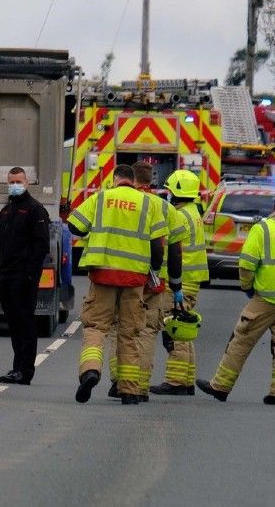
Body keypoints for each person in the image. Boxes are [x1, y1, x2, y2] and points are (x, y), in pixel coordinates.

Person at [197, 192, 275, 405]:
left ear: (274, 207)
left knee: (240, 341)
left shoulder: (262, 229)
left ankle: (221, 387)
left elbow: (246, 264)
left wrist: (248, 287)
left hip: (263, 300)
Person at [66, 164, 167, 405]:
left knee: (96, 328)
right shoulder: (148, 203)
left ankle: (91, 370)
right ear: (133, 181)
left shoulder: (101, 198)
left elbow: (74, 226)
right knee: (129, 333)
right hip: (134, 279)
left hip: (103, 275)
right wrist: (152, 271)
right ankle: (130, 391)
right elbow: (157, 246)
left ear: (115, 179)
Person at [106, 162, 185, 400]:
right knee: (147, 331)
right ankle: (139, 386)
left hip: (124, 276)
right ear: (151, 181)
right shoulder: (166, 208)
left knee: (119, 328)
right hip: (154, 279)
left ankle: (119, 380)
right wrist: (176, 284)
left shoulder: (116, 203)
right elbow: (175, 251)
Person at [150, 169, 208, 396]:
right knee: (183, 328)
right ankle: (185, 381)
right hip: (191, 280)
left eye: (170, 191)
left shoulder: (180, 215)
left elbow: (170, 251)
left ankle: (175, 382)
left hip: (181, 281)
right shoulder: (193, 211)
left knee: (174, 329)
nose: (168, 194)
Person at [0, 167, 50, 385]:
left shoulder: (35, 210)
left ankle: (25, 370)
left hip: (24, 276)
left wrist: (29, 274)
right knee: (14, 323)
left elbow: (41, 245)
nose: (14, 184)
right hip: (7, 275)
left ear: (27, 183)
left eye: (18, 181)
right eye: (11, 181)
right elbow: (2, 246)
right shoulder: (6, 211)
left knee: (25, 322)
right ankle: (17, 367)